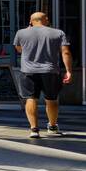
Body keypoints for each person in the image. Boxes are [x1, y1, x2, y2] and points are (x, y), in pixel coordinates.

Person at [13, 11, 73, 140]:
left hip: (28, 71)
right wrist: (68, 70)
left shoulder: (21, 33)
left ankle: (34, 129)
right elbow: (66, 52)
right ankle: (52, 127)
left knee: (30, 98)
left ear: (31, 20)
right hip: (50, 71)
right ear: (46, 20)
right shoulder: (58, 33)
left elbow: (19, 49)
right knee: (51, 99)